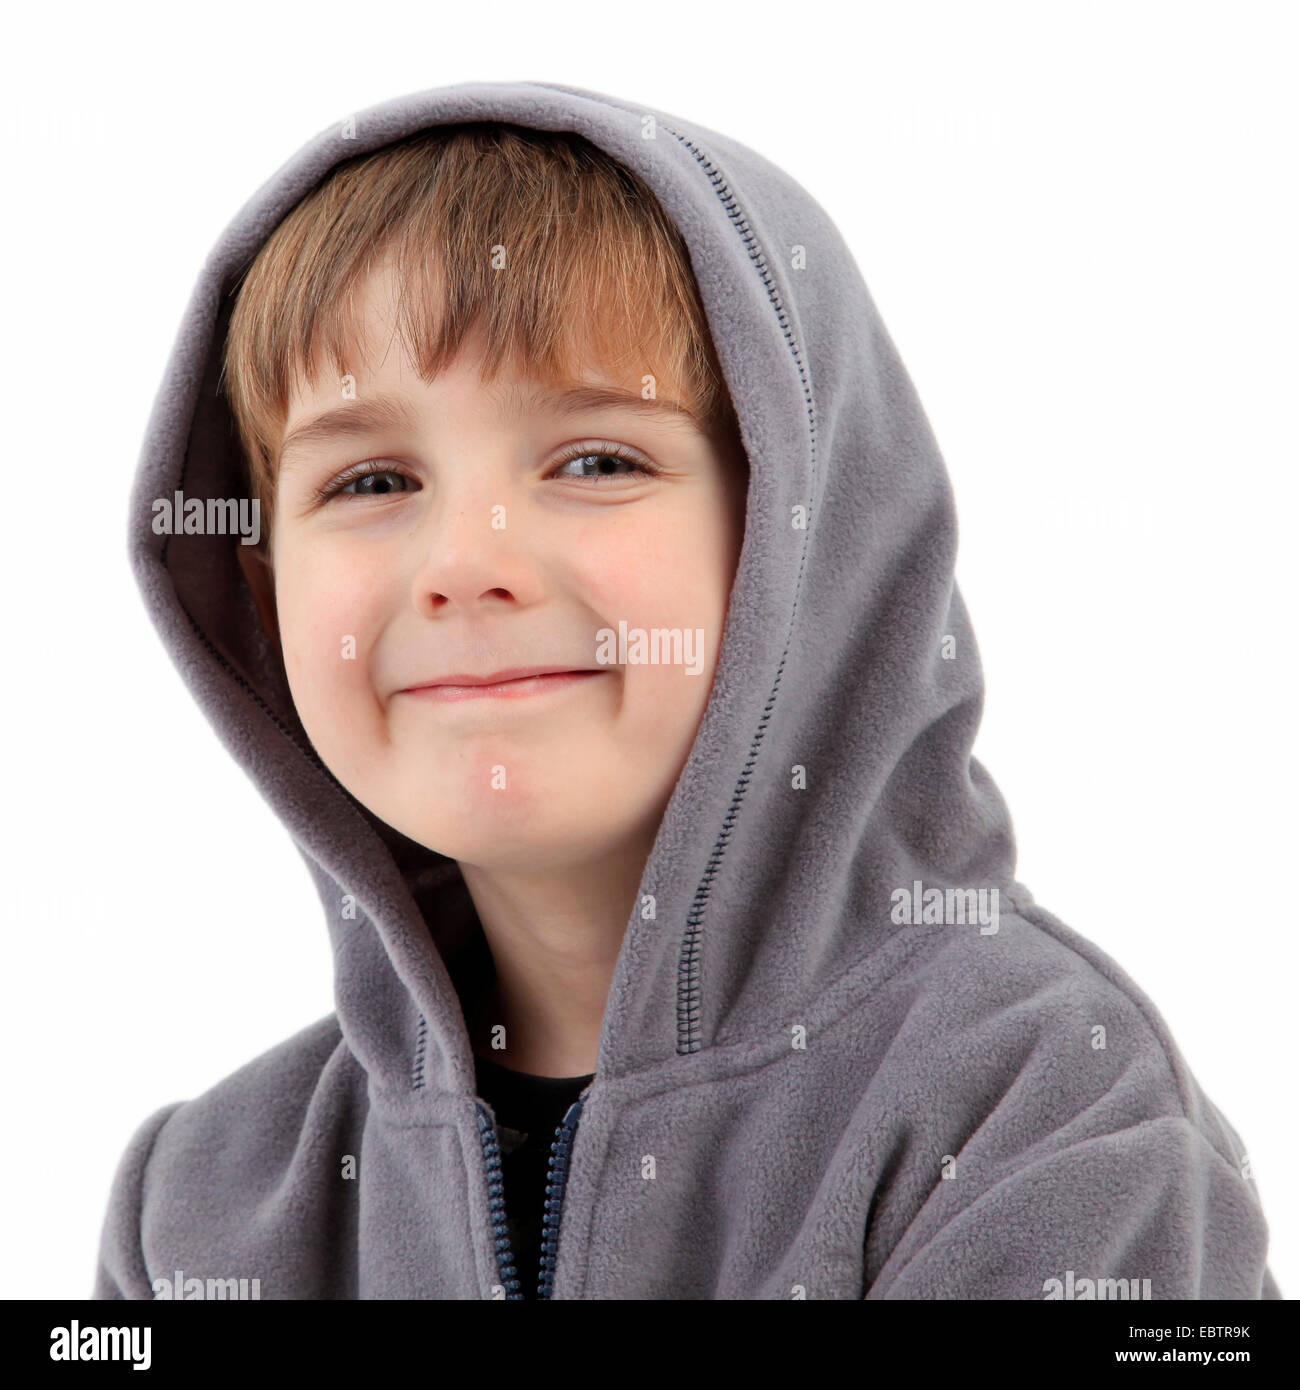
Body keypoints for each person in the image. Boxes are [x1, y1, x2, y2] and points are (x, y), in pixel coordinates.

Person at [93, 80, 1279, 1300]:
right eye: (370, 481)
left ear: (798, 542)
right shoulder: (200, 1209)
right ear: (259, 581)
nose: (463, 565)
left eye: (597, 459)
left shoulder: (1048, 1117)